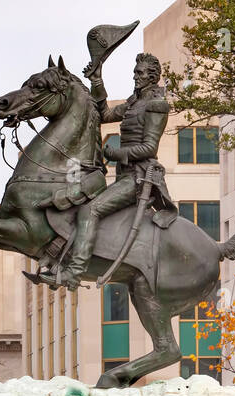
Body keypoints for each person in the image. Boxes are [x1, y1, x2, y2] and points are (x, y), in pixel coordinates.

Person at [36, 52, 176, 289]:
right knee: (79, 202)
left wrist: (114, 154)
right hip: (124, 176)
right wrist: (97, 81)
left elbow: (149, 148)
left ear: (152, 77)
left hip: (139, 178)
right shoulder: (134, 103)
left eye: (140, 73)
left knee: (90, 211)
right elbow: (104, 114)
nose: (136, 76)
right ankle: (58, 255)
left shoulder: (156, 105)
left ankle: (74, 273)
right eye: (135, 72)